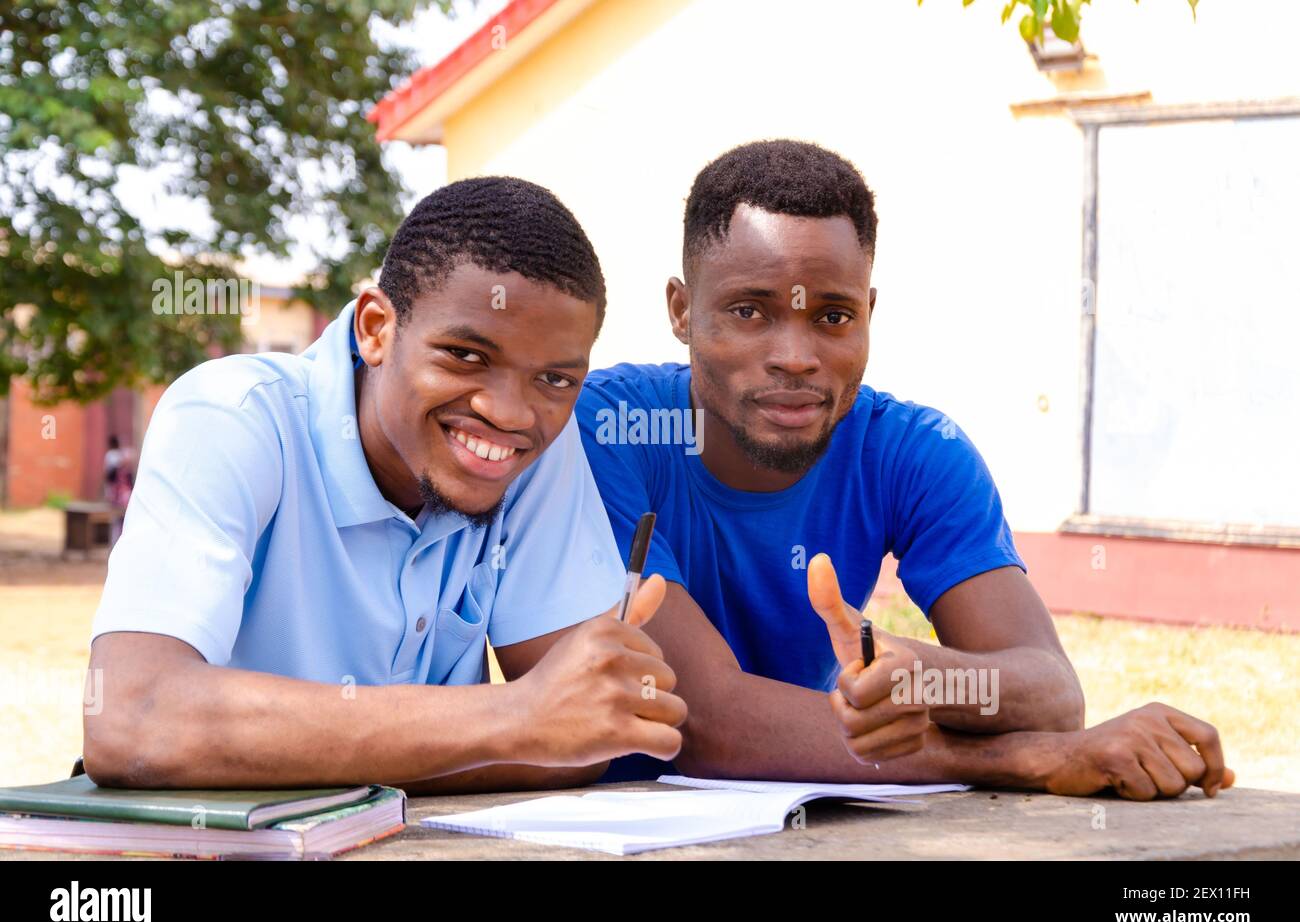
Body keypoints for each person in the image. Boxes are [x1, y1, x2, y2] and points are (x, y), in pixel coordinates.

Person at [576, 140, 1232, 800]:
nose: (797, 356)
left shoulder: (916, 451)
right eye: (749, 311)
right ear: (682, 310)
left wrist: (919, 673)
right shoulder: (605, 430)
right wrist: (1022, 757)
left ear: (869, 313)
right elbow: (705, 718)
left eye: (833, 315)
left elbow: (1053, 693)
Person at [85, 177, 685, 792]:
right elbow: (134, 717)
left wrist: (539, 722)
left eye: (555, 379)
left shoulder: (530, 449)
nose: (509, 412)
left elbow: (580, 739)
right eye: (466, 355)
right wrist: (515, 715)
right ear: (376, 328)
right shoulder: (233, 416)